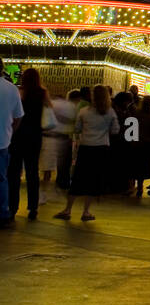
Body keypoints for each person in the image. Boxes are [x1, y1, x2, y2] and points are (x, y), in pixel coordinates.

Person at [55, 85, 119, 222]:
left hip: (85, 148)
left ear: (92, 96)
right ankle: (86, 212)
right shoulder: (110, 112)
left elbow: (77, 129)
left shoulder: (84, 111)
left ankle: (67, 209)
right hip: (102, 149)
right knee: (94, 181)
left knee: (78, 179)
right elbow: (115, 130)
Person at [9, 67, 55, 221]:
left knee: (14, 172)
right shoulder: (42, 93)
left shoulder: (20, 92)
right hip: (35, 136)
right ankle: (33, 208)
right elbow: (50, 110)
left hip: (18, 135)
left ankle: (13, 207)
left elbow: (15, 113)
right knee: (32, 172)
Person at [0, 59, 23, 228]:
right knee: (2, 179)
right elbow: (18, 117)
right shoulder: (11, 89)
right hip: (2, 141)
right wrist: (10, 132)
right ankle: (3, 213)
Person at [42, 86, 75, 201]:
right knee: (60, 167)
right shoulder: (69, 106)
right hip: (62, 139)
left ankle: (44, 192)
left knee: (47, 168)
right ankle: (53, 190)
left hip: (48, 138)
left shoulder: (51, 105)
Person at [132, 95, 150, 197]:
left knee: (135, 165)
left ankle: (133, 186)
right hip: (147, 144)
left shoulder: (137, 113)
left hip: (137, 143)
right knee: (143, 166)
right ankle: (140, 186)